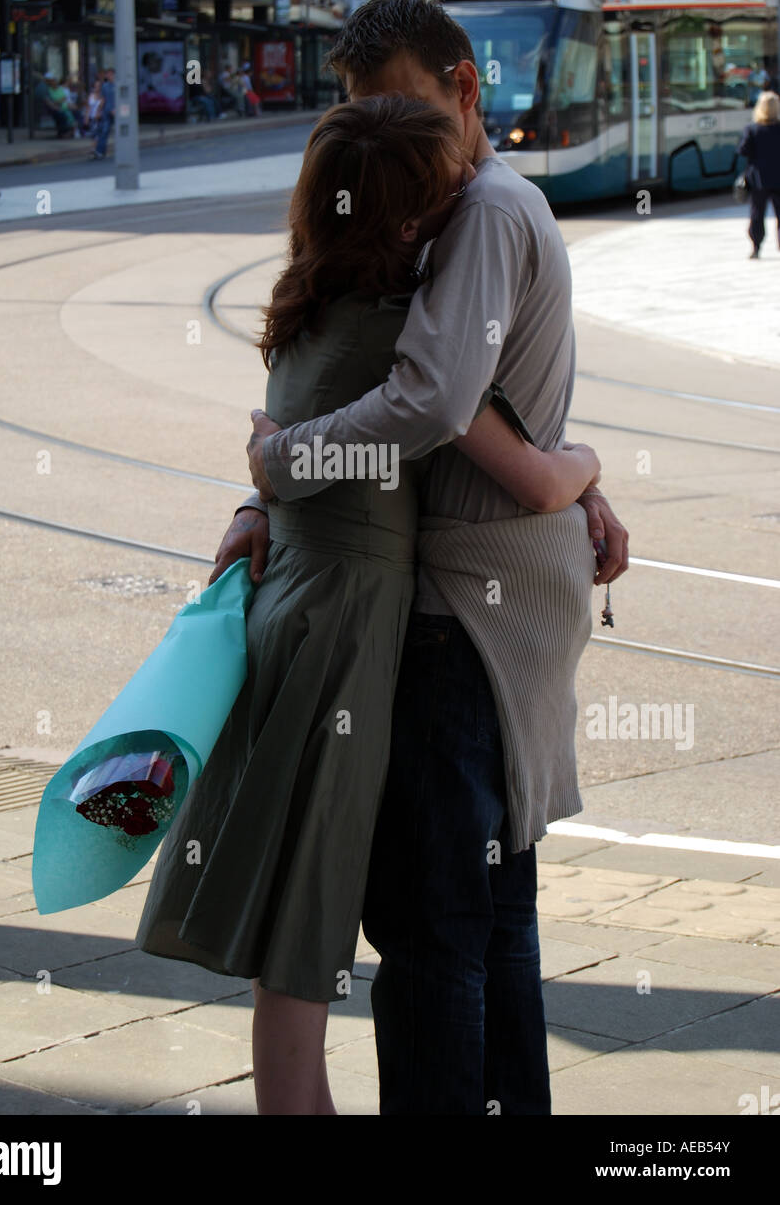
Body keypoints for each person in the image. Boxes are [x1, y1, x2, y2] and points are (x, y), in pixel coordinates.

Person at [135, 94, 603, 1117]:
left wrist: (266, 475)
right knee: (311, 931)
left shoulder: (304, 304)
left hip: (296, 616)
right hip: (343, 640)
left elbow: (310, 442)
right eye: (438, 203)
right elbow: (515, 463)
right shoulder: (402, 340)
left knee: (292, 942)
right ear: (405, 228)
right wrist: (591, 470)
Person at [736, 90, 780, 259]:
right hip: (778, 177)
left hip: (758, 179)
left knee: (757, 213)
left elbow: (742, 150)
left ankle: (756, 247)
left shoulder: (752, 129)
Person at [91, 68, 115, 159]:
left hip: (118, 112)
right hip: (107, 112)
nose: (107, 76)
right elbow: (102, 99)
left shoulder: (118, 85)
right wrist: (98, 111)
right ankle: (100, 151)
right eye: (106, 74)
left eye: (109, 74)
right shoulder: (105, 86)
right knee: (104, 131)